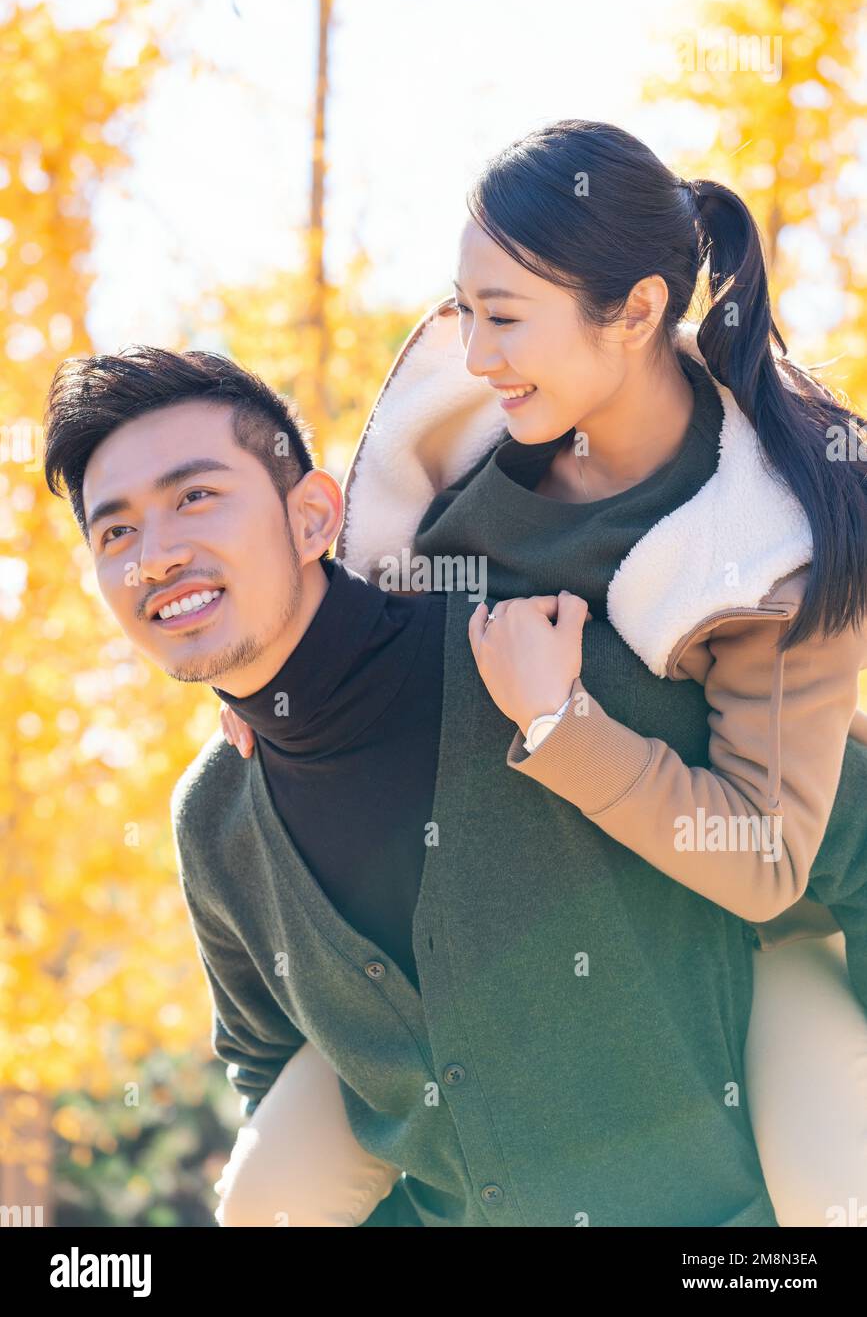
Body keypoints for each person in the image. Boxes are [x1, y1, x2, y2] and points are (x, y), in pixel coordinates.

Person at [42, 120, 867, 1227]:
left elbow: (818, 844)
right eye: (116, 531)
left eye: (196, 497)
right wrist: (283, 719)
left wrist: (560, 720)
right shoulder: (221, 819)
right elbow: (273, 1066)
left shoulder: (637, 625)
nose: (158, 554)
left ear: (310, 514)